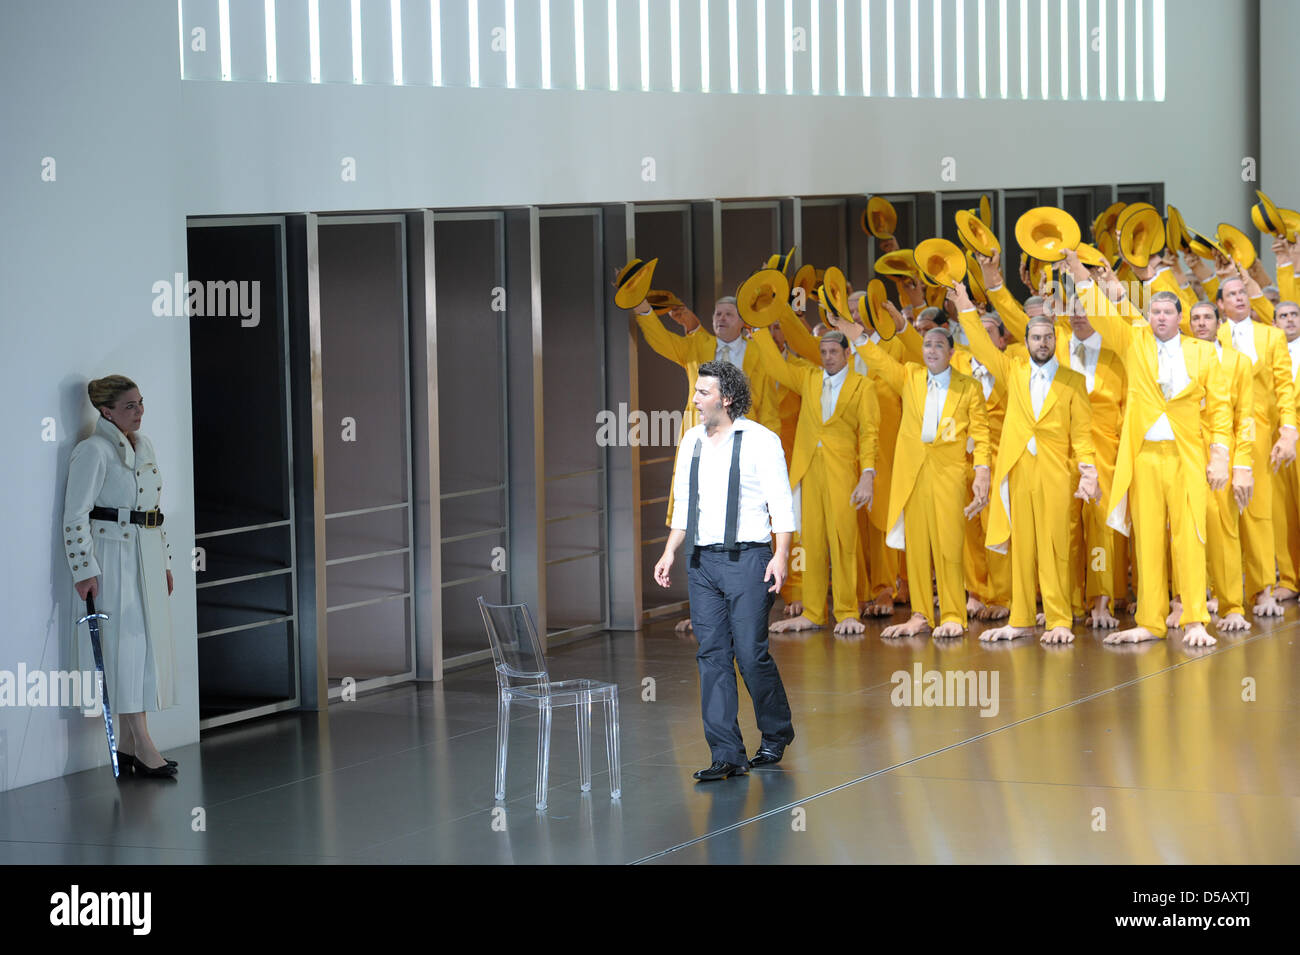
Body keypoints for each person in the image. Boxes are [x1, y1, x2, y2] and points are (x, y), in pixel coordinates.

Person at [1064, 251, 1232, 647]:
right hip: (1143, 456)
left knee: (1189, 537)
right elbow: (1102, 313)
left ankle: (1194, 620)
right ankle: (1151, 621)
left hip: (1185, 456)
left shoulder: (1204, 352)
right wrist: (1076, 270)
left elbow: (1221, 407)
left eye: (1166, 312)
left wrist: (1221, 455)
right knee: (1149, 540)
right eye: (1153, 311)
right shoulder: (1133, 341)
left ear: (1179, 317)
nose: (1159, 317)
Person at [653, 361, 796, 781]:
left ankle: (775, 733)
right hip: (701, 561)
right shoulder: (691, 441)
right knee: (712, 655)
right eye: (695, 392)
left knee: (751, 654)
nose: (695, 400)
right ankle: (727, 754)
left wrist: (781, 555)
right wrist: (668, 553)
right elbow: (683, 506)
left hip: (748, 558)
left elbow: (781, 504)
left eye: (702, 393)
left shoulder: (760, 441)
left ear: (726, 398)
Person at [951, 284, 1100, 644]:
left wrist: (1088, 472)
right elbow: (983, 346)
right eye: (1035, 337)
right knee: (1022, 546)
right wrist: (964, 305)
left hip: (1055, 474)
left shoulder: (1073, 381)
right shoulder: (1012, 372)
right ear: (1026, 340)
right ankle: (1020, 618)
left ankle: (1059, 618)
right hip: (1018, 472)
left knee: (1056, 547)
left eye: (1048, 337)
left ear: (1054, 340)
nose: (1042, 343)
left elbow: (1081, 436)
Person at [831, 307, 992, 639]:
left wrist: (982, 471)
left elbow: (983, 433)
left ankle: (952, 614)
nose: (931, 350)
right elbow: (877, 359)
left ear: (951, 352)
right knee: (917, 547)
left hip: (948, 474)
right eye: (927, 345)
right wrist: (852, 332)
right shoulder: (910, 376)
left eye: (937, 345)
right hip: (913, 475)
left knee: (949, 545)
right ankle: (920, 614)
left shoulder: (968, 387)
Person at [63, 375, 177, 777]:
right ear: (106, 411)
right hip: (112, 558)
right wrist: (84, 569)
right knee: (124, 649)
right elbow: (75, 517)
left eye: (141, 403)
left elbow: (153, 511)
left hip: (143, 557)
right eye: (130, 406)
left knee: (144, 649)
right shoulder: (92, 452)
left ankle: (130, 744)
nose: (139, 411)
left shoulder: (144, 447)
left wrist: (164, 561)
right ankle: (143, 743)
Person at [750, 325, 879, 635]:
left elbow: (870, 433)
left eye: (834, 352)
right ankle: (813, 611)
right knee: (812, 542)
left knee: (844, 539)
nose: (828, 357)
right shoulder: (809, 378)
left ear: (848, 353)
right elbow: (776, 366)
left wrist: (867, 475)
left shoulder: (862, 386)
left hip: (843, 471)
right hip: (810, 469)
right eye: (823, 352)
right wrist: (758, 331)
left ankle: (848, 610)